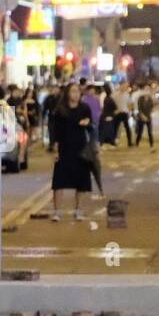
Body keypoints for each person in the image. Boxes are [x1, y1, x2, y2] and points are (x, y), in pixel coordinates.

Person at [48, 82, 94, 222]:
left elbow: (91, 126)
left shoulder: (84, 108)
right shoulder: (61, 110)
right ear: (67, 93)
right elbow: (56, 131)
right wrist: (55, 149)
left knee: (81, 180)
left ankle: (78, 210)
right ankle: (57, 212)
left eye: (77, 91)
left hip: (80, 147)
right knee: (59, 181)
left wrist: (87, 122)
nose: (75, 94)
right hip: (64, 147)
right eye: (72, 91)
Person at [135, 82, 155, 148]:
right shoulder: (140, 98)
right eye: (146, 89)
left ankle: (151, 145)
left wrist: (148, 115)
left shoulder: (150, 99)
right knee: (140, 132)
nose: (147, 91)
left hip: (148, 117)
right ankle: (137, 142)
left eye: (148, 89)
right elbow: (139, 108)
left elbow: (152, 107)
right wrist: (143, 116)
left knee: (150, 132)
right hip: (141, 117)